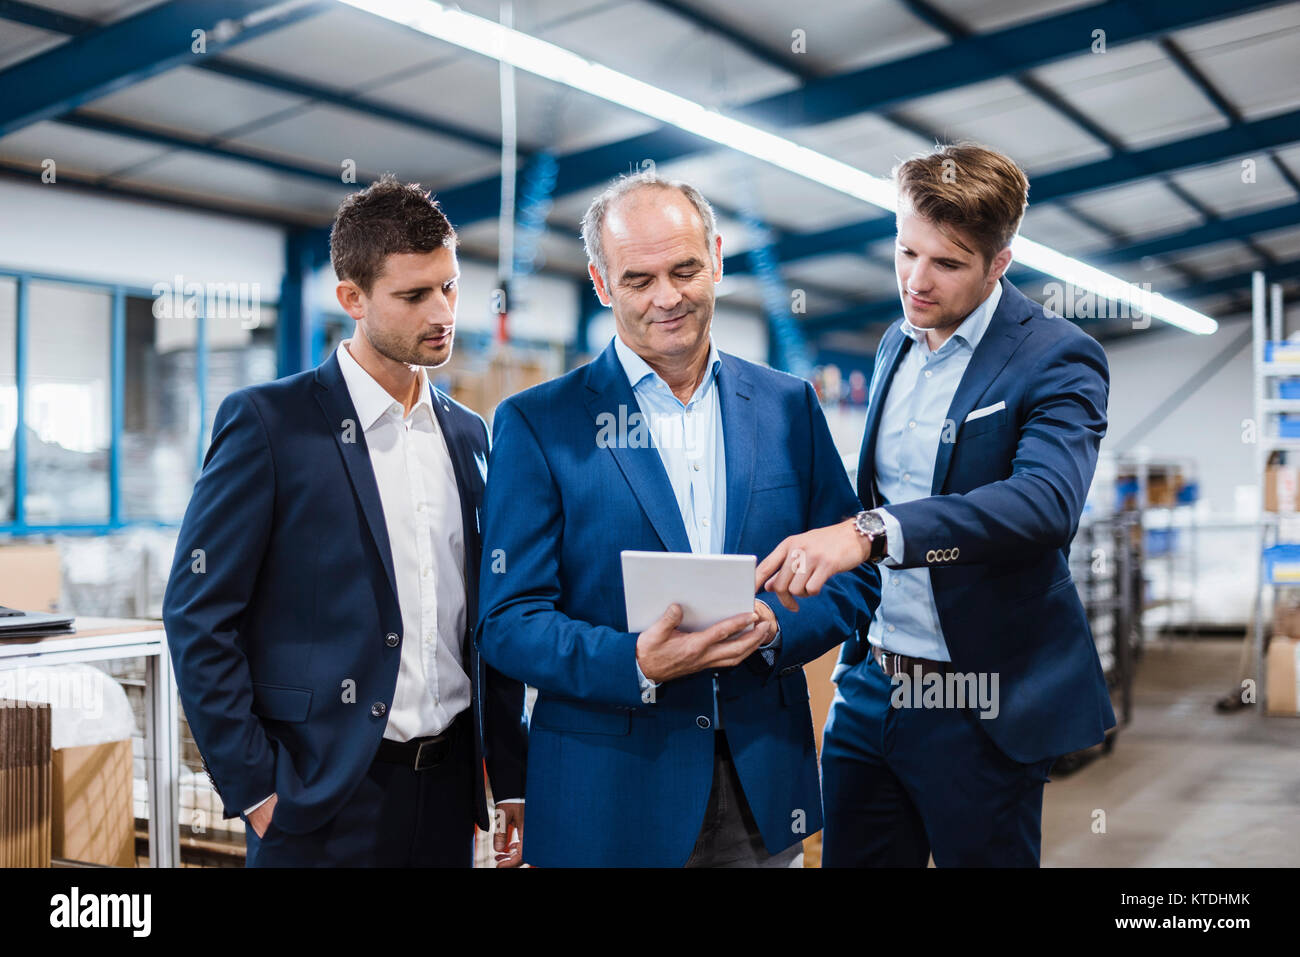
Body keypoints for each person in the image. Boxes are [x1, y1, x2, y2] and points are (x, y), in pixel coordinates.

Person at [476, 172, 880, 867]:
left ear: (717, 259)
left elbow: (852, 576)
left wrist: (780, 625)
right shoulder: (541, 424)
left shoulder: (789, 408)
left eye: (686, 269)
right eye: (639, 279)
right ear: (603, 285)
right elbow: (508, 622)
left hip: (759, 784)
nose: (668, 297)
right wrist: (633, 661)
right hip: (607, 798)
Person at [757, 144, 1116, 867]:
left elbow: (1043, 504)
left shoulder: (1056, 356)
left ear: (1000, 262)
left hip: (978, 700)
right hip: (870, 683)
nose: (916, 282)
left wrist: (872, 532)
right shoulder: (896, 344)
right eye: (905, 252)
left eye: (947, 264)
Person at [163, 176, 526, 867]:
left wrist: (510, 777)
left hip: (448, 795)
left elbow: (488, 619)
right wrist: (258, 788)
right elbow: (197, 614)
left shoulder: (469, 435)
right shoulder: (270, 424)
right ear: (352, 299)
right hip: (319, 797)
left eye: (449, 286)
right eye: (414, 295)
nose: (442, 311)